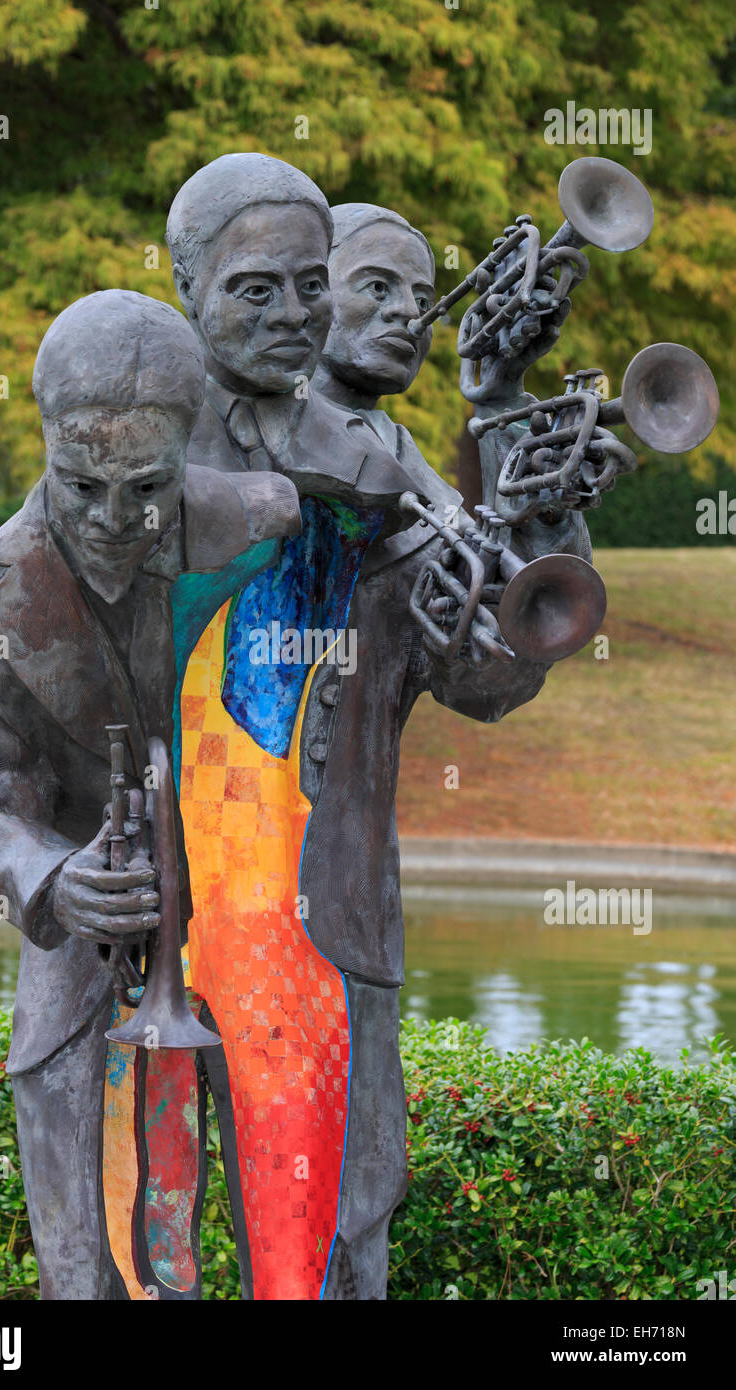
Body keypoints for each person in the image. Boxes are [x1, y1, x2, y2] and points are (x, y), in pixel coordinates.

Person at [163, 158, 577, 1299]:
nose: (404, 312)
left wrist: (504, 418)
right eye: (374, 286)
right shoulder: (189, 428)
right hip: (171, 909)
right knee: (171, 1218)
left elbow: (495, 674)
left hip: (336, 915)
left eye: (419, 293)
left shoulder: (401, 474)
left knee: (346, 1221)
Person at [0, 289, 301, 1299]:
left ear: (188, 453)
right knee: (73, 1214)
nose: (108, 520)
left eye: (144, 486)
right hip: (88, 923)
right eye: (78, 483)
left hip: (245, 911)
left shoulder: (259, 524)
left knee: (290, 1199)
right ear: (44, 442)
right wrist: (52, 880)